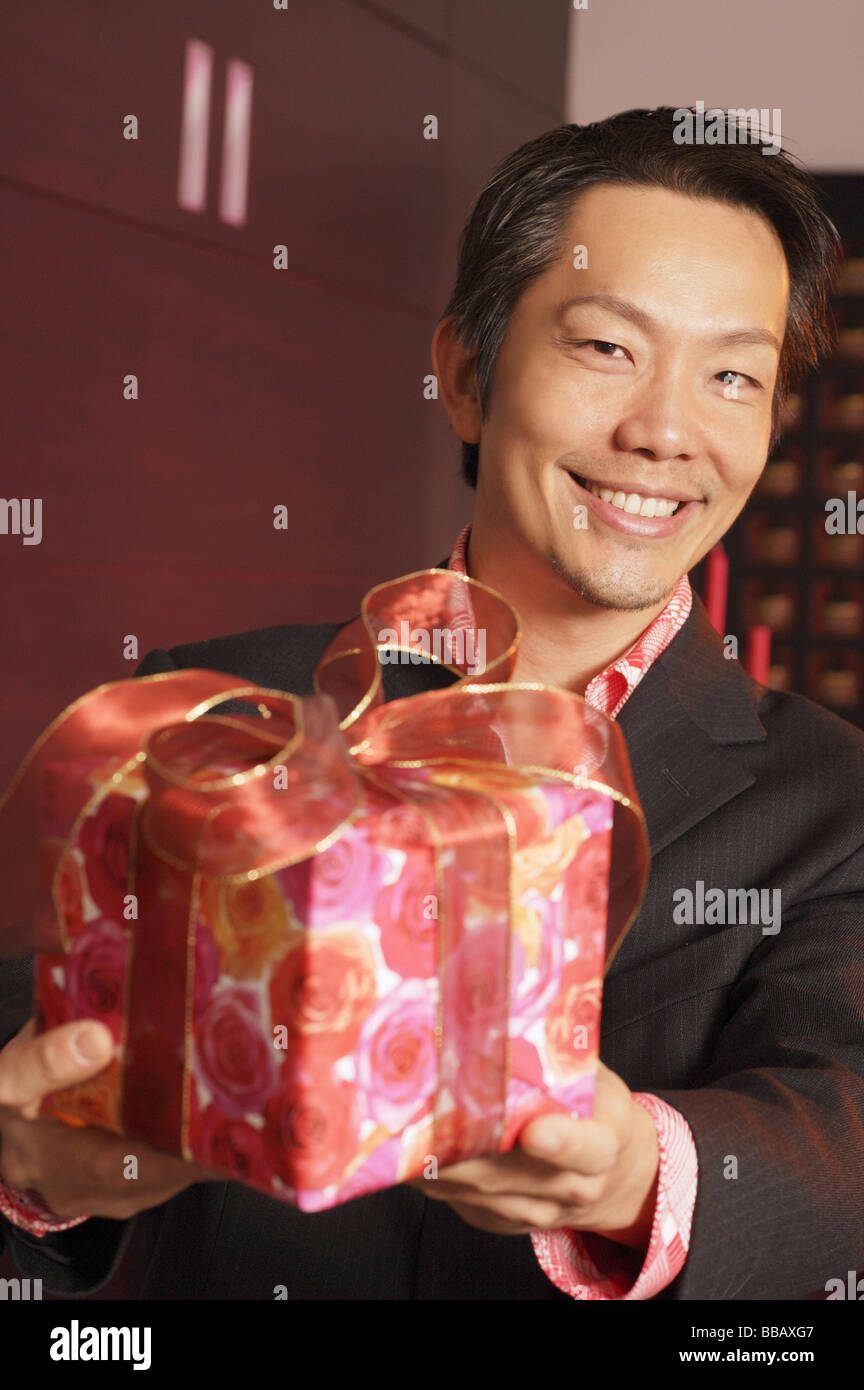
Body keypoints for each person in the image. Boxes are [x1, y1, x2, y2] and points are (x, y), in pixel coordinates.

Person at [1, 108, 862, 1301]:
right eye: (609, 347)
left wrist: (628, 1179)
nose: (666, 430)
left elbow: (841, 1149)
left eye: (732, 374)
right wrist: (36, 1175)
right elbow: (33, 1090)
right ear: (465, 373)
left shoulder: (835, 800)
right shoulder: (211, 717)